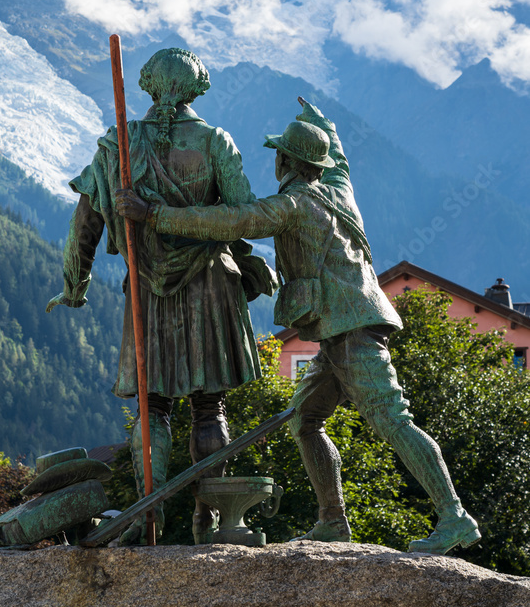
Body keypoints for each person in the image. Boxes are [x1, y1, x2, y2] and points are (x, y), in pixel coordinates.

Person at [116, 97, 481, 555]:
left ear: (284, 161)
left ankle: (454, 516)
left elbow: (230, 220)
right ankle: (332, 520)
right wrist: (323, 122)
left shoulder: (288, 205)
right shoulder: (339, 187)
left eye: (278, 154)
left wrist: (153, 215)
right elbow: (340, 158)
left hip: (352, 330)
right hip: (341, 333)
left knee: (393, 419)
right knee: (307, 420)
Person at [46, 47, 276, 545]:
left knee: (152, 410)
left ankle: (150, 518)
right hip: (212, 284)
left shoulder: (119, 145)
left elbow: (83, 224)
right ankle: (212, 517)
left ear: (150, 86)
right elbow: (245, 216)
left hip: (147, 290)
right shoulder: (215, 142)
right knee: (208, 408)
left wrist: (74, 285)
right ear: (197, 87)